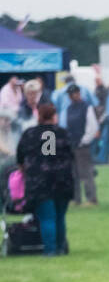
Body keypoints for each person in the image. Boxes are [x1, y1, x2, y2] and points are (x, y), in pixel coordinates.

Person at [16, 102, 74, 255]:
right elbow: (71, 154)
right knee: (60, 216)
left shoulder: (30, 134)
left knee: (47, 217)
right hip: (62, 180)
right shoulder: (63, 133)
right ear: (54, 116)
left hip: (39, 181)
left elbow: (20, 156)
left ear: (39, 116)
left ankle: (50, 250)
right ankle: (61, 248)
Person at [64, 84, 99, 206]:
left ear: (78, 93)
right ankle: (76, 198)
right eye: (69, 94)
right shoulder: (69, 108)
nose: (70, 96)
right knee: (74, 174)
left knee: (86, 173)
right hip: (72, 144)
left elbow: (92, 127)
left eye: (72, 94)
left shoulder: (87, 107)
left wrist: (84, 140)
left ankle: (91, 198)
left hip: (82, 145)